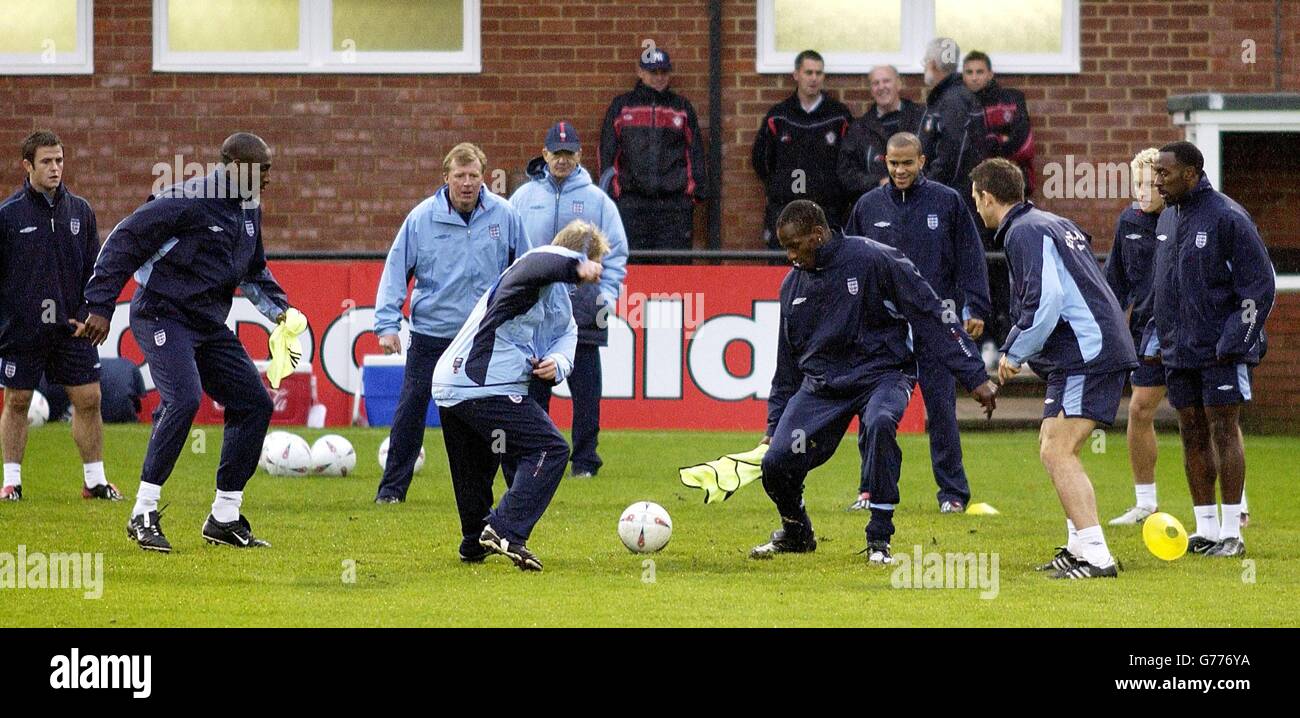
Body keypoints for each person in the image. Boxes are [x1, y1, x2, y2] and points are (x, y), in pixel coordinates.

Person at [78, 132, 294, 552]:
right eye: (262, 170)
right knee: (184, 399)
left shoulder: (249, 206)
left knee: (254, 403)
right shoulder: (186, 199)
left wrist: (282, 312)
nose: (269, 179)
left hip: (208, 322)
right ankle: (143, 512)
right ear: (234, 168)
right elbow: (124, 240)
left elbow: (253, 269)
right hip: (162, 313)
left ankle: (225, 517)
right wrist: (100, 305)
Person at [752, 200, 997, 566]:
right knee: (776, 462)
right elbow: (786, 365)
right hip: (823, 386)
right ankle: (796, 531)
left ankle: (879, 538)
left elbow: (929, 312)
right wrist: (774, 425)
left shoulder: (875, 259)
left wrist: (973, 373)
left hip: (884, 374)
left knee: (881, 423)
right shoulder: (793, 285)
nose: (790, 256)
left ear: (817, 235)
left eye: (795, 246)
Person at [972, 158, 1137, 579]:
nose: (977, 208)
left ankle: (1097, 556)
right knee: (1052, 442)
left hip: (1087, 352)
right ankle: (1079, 546)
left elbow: (1046, 302)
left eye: (976, 199)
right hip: (1082, 351)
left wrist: (1014, 351)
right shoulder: (1048, 222)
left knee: (1057, 449)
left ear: (988, 198)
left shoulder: (1024, 232)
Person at [431, 220, 607, 571]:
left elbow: (565, 334)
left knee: (478, 467)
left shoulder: (553, 294)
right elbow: (545, 261)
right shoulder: (535, 263)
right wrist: (576, 264)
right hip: (483, 382)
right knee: (551, 449)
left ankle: (474, 541)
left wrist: (557, 362)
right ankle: (505, 529)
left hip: (454, 384)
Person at [371, 143, 531, 504]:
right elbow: (396, 271)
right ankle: (392, 490)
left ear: (483, 177)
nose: (467, 183)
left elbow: (525, 269)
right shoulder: (421, 218)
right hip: (432, 334)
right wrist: (386, 324)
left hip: (485, 337)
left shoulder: (505, 216)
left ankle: (519, 490)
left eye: (474, 175)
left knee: (500, 413)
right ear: (446, 178)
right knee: (410, 412)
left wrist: (524, 324)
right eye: (460, 176)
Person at [845, 132, 990, 513]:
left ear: (922, 161)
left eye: (907, 163)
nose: (900, 170)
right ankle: (869, 490)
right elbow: (849, 262)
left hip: (934, 323)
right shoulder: (868, 206)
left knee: (941, 409)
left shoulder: (947, 202)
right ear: (885, 162)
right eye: (893, 163)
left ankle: (953, 494)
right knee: (873, 411)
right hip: (884, 326)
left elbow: (970, 257)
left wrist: (975, 306)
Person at [1143, 141, 1274, 558]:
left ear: (1192, 173)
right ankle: (1206, 530)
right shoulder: (1166, 220)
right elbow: (1163, 288)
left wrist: (1234, 341)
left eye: (1165, 173)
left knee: (1223, 431)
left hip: (1221, 352)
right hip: (1179, 352)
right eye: (1155, 174)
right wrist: (1156, 337)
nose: (1157, 181)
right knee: (1191, 433)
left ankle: (1233, 532)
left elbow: (1259, 288)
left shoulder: (1228, 217)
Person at [0, 130, 119, 502]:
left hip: (72, 328)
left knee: (89, 399)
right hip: (24, 330)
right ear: (27, 166)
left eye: (60, 161)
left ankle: (95, 481)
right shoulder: (8, 215)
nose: (55, 168)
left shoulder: (81, 211)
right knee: (17, 401)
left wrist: (91, 312)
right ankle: (12, 482)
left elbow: (94, 270)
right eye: (47, 162)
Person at [509, 122, 628, 479]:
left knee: (586, 387)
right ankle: (537, 451)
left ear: (579, 156)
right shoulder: (523, 198)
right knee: (536, 381)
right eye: (556, 154)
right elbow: (511, 248)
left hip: (583, 303)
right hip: (534, 305)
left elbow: (618, 252)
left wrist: (606, 295)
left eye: (569, 154)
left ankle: (586, 460)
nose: (562, 161)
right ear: (544, 155)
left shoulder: (597, 200)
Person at [1103, 148, 1166, 526]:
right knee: (1140, 409)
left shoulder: (1184, 219)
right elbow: (1116, 283)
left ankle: (1235, 504)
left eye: (1149, 184)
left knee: (1211, 414)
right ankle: (1146, 503)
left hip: (1191, 331)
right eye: (1137, 183)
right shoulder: (1128, 221)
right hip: (1145, 333)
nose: (1142, 191)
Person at [599, 47, 707, 254]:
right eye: (653, 72)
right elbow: (607, 152)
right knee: (632, 271)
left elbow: (695, 153)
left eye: (663, 72)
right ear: (640, 72)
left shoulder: (681, 107)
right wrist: (613, 193)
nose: (659, 77)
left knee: (674, 274)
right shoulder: (622, 106)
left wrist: (692, 195)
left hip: (674, 207)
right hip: (631, 204)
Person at [752, 49, 854, 246]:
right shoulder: (779, 116)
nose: (814, 78)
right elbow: (761, 161)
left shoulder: (839, 116)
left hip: (828, 212)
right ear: (796, 75)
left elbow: (849, 161)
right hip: (785, 210)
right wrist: (780, 187)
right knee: (781, 270)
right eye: (809, 72)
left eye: (819, 73)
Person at [837, 65, 926, 207]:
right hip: (878, 206)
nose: (881, 87)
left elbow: (934, 161)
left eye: (886, 81)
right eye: (876, 83)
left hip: (918, 203)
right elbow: (846, 173)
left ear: (898, 84)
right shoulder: (859, 129)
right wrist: (878, 182)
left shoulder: (921, 118)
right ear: (871, 89)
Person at [918, 38, 988, 210]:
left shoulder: (952, 101)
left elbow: (951, 154)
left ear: (933, 64)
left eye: (925, 62)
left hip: (950, 198)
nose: (924, 66)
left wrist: (929, 187)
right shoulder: (949, 97)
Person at [962, 51, 1036, 196]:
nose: (974, 77)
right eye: (969, 72)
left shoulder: (1011, 100)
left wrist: (990, 142)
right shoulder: (959, 105)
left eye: (980, 72)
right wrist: (1000, 138)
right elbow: (963, 148)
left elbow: (1024, 145)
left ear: (990, 74)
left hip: (1011, 183)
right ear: (963, 76)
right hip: (971, 187)